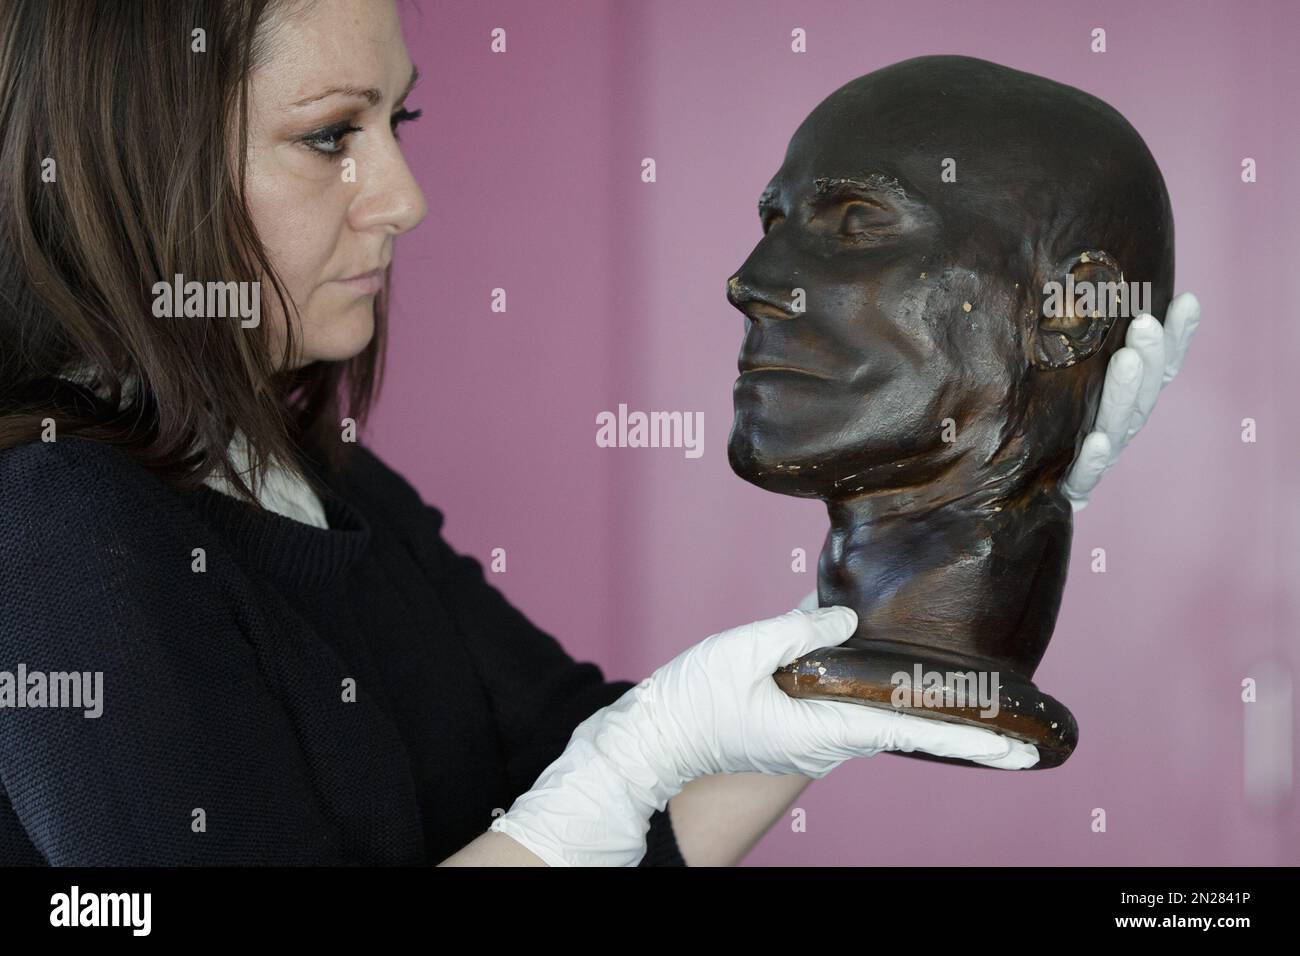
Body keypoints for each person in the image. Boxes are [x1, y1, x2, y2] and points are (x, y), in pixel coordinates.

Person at [0, 0, 1200, 867]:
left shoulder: (323, 483)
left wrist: (893, 613)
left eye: (398, 119)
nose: (405, 196)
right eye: (330, 135)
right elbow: (597, 791)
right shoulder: (49, 536)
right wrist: (631, 765)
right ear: (134, 158)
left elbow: (593, 806)